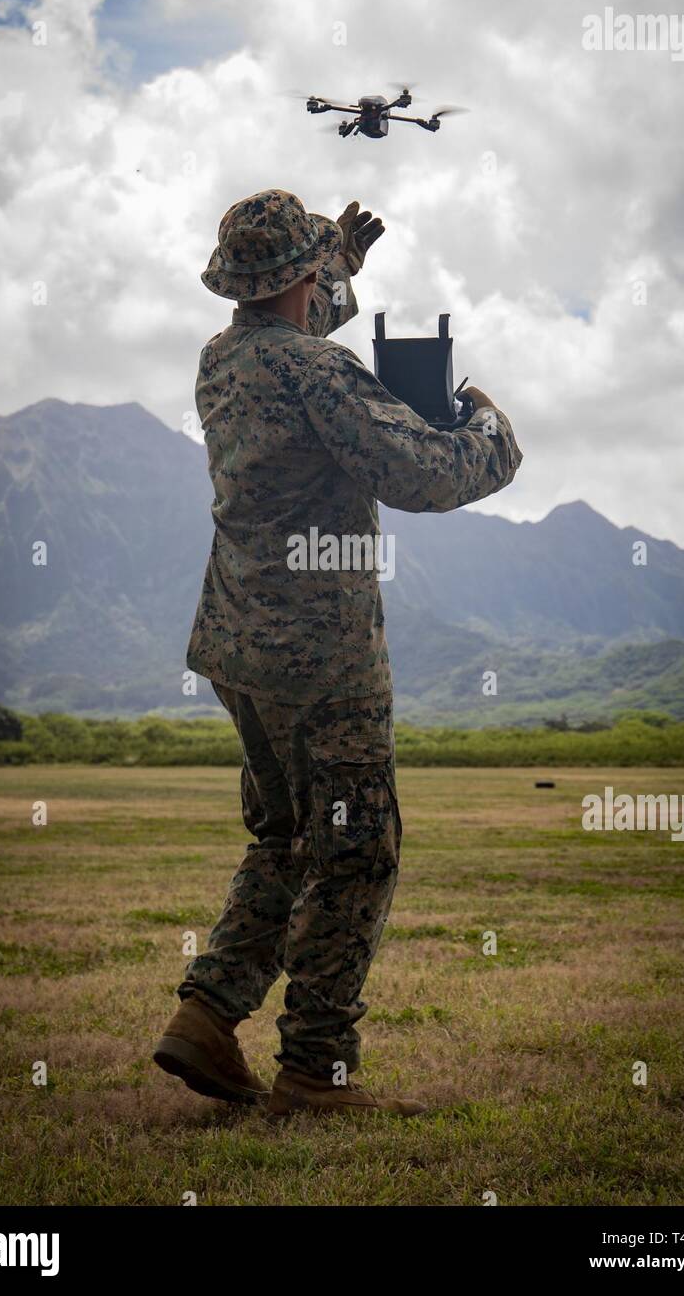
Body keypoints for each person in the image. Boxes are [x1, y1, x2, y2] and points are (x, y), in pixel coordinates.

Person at [153, 189, 522, 1117]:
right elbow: (421, 474)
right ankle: (319, 1071)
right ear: (305, 277)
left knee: (284, 839)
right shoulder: (320, 373)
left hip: (239, 644)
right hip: (323, 660)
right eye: (317, 274)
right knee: (357, 853)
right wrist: (491, 429)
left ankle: (206, 1014)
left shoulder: (220, 361)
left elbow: (286, 334)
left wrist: (336, 273)